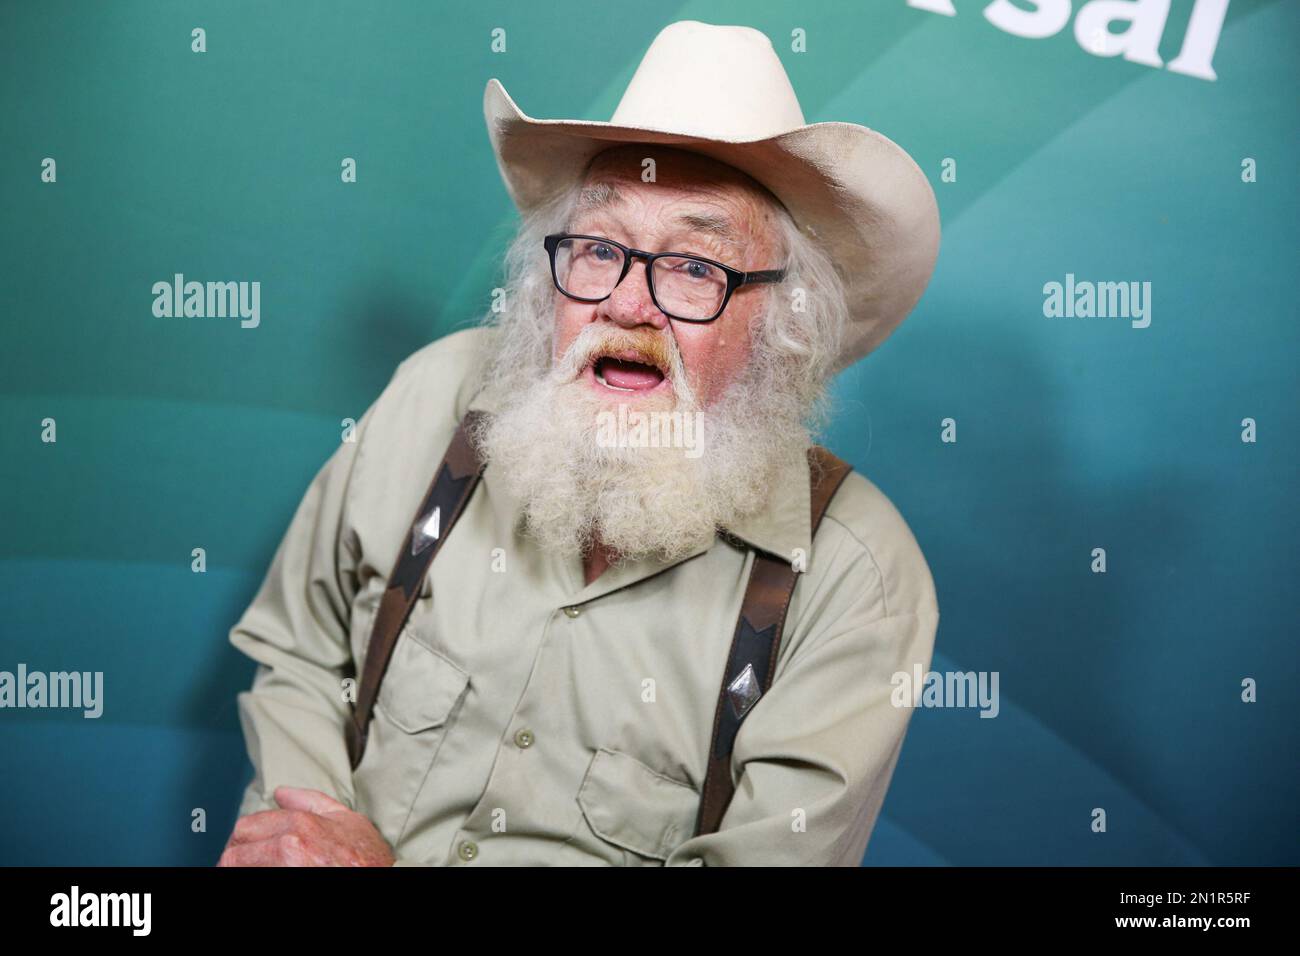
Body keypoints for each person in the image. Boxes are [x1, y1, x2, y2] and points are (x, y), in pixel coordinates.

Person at [219, 19, 940, 867]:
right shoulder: (441, 397)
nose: (628, 306)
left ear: (783, 326)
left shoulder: (856, 577)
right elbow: (301, 653)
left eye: (695, 268)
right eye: (600, 249)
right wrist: (304, 842)